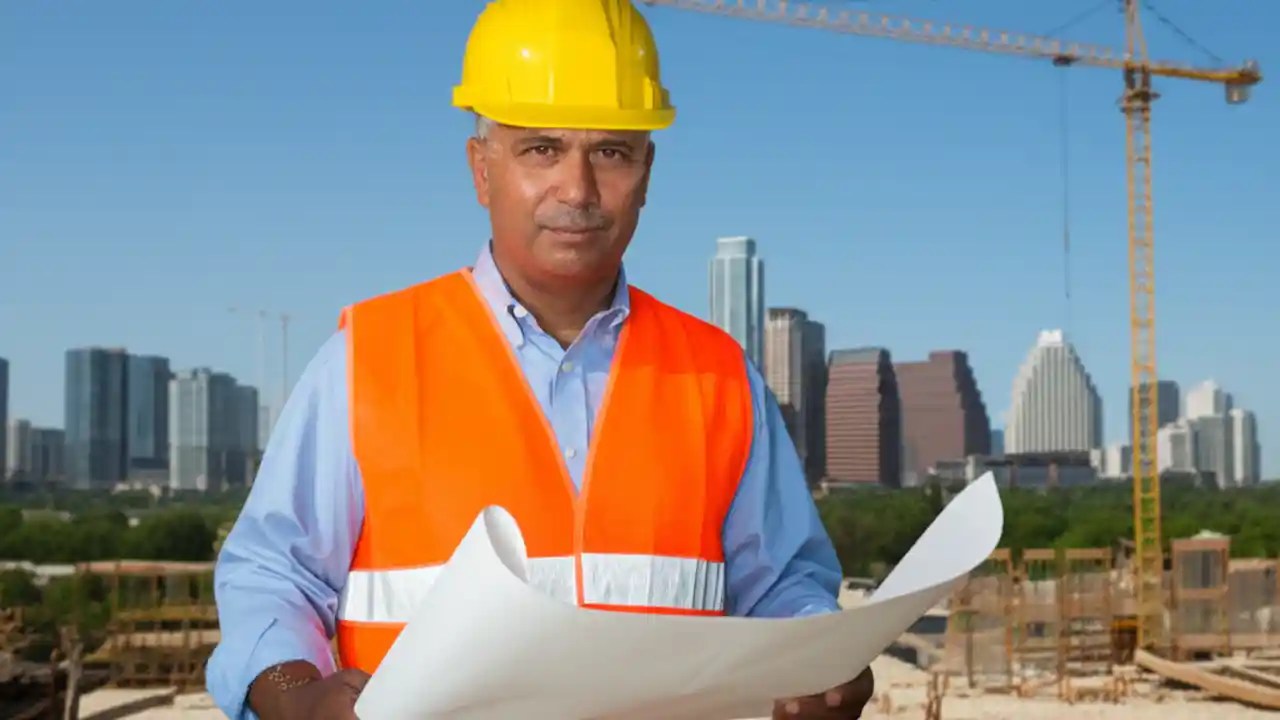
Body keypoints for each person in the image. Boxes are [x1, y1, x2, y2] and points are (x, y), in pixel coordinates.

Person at [205, 1, 874, 718]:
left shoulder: (719, 377)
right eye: (541, 149)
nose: (577, 190)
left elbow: (782, 584)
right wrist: (293, 695)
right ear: (481, 169)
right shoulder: (367, 360)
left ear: (647, 173)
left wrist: (817, 656)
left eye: (611, 152)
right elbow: (272, 573)